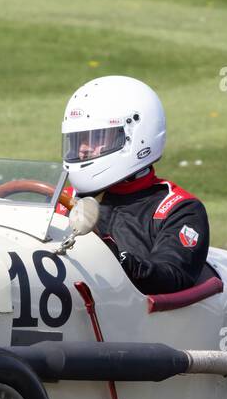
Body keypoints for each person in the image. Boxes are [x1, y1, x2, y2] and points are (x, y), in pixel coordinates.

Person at [61, 75, 209, 295]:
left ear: (136, 137)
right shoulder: (62, 200)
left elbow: (172, 277)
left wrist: (115, 258)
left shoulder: (176, 209)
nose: (82, 149)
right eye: (77, 140)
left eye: (94, 139)